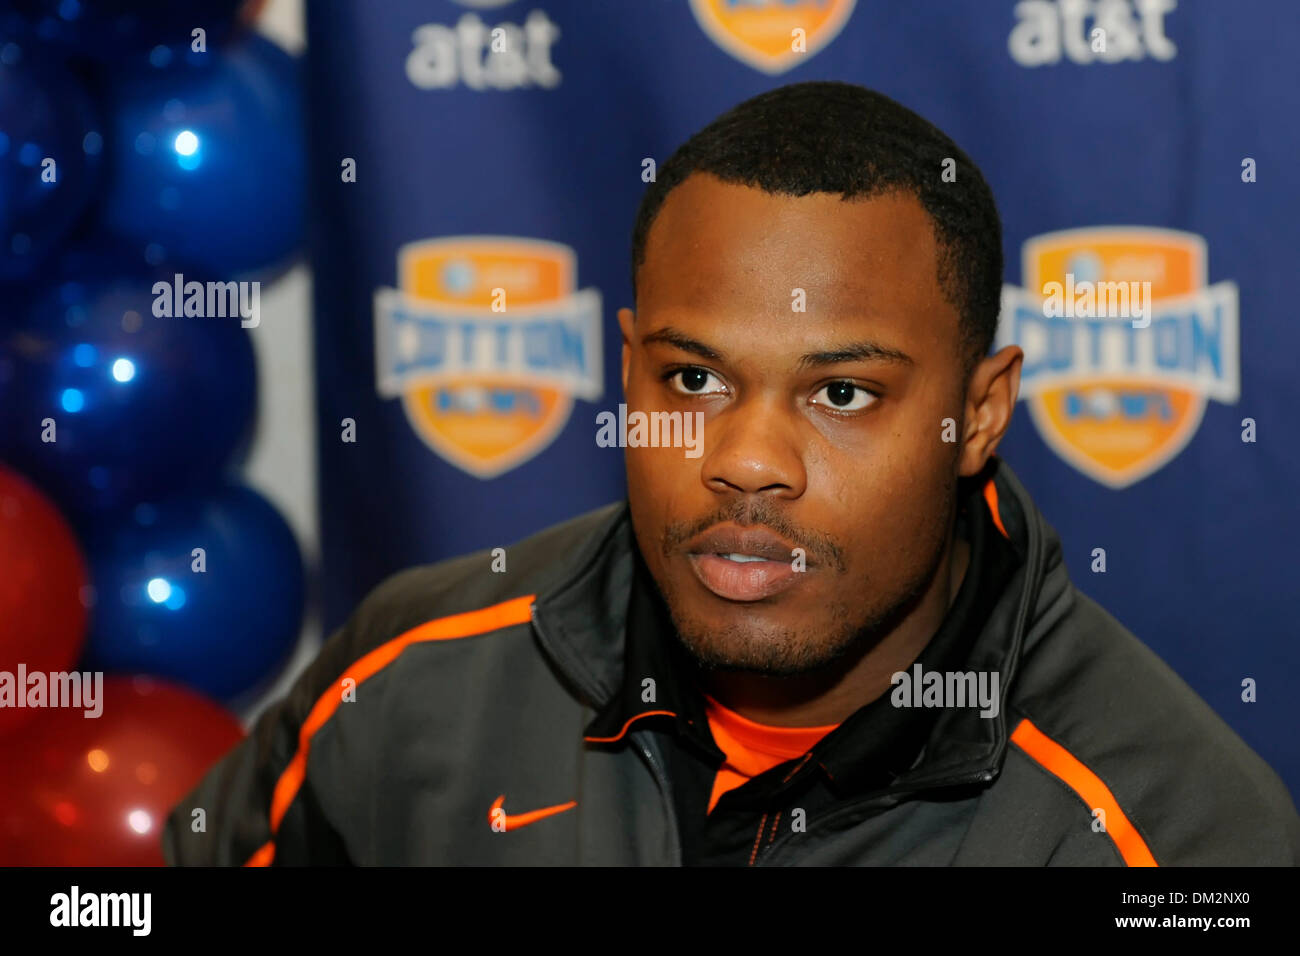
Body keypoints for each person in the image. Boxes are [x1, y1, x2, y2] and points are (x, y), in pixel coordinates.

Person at [164, 80, 1300, 866]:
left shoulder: (1173, 835)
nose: (746, 461)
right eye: (694, 379)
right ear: (626, 371)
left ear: (979, 414)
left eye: (841, 393)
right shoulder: (412, 671)